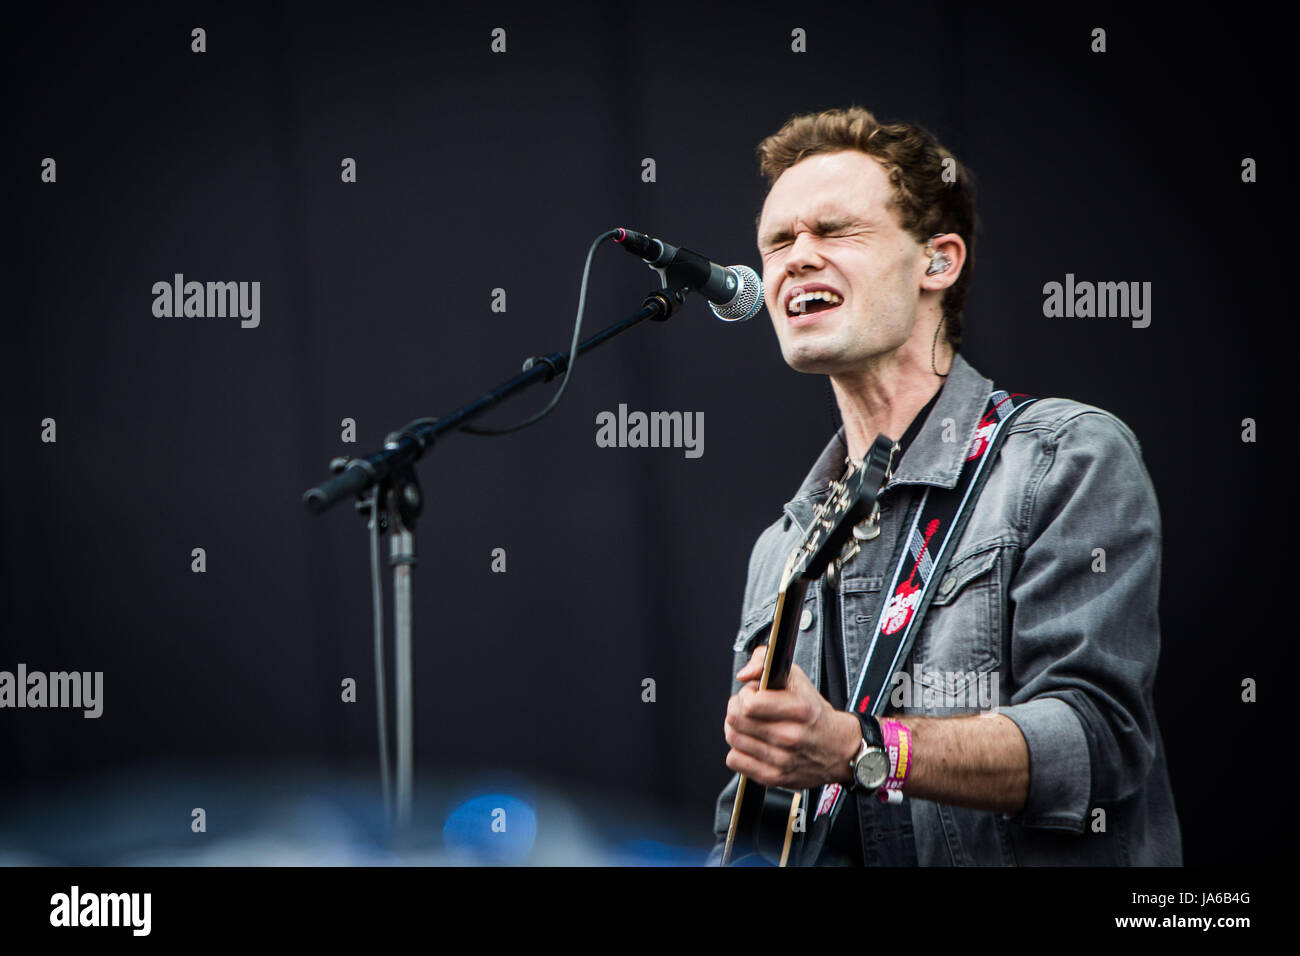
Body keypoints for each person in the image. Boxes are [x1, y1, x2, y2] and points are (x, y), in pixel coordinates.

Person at [709, 106, 1180, 866]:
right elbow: (748, 826)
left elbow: (1097, 742)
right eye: (778, 242)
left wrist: (864, 749)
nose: (796, 257)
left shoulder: (1065, 455)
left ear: (939, 262)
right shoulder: (782, 548)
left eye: (833, 231)